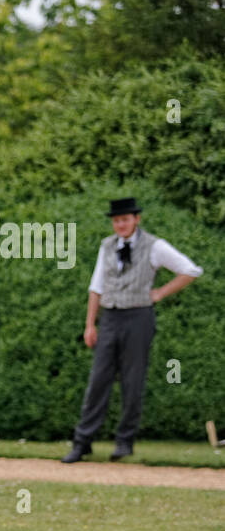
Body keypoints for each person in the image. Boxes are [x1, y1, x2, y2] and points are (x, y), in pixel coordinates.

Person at [62, 197, 202, 462]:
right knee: (98, 380)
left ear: (136, 219)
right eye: (116, 220)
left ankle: (124, 442)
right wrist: (90, 323)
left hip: (139, 316)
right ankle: (82, 442)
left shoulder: (155, 246)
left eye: (125, 219)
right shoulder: (107, 246)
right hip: (111, 318)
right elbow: (97, 286)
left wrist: (160, 293)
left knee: (133, 379)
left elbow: (191, 270)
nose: (120, 224)